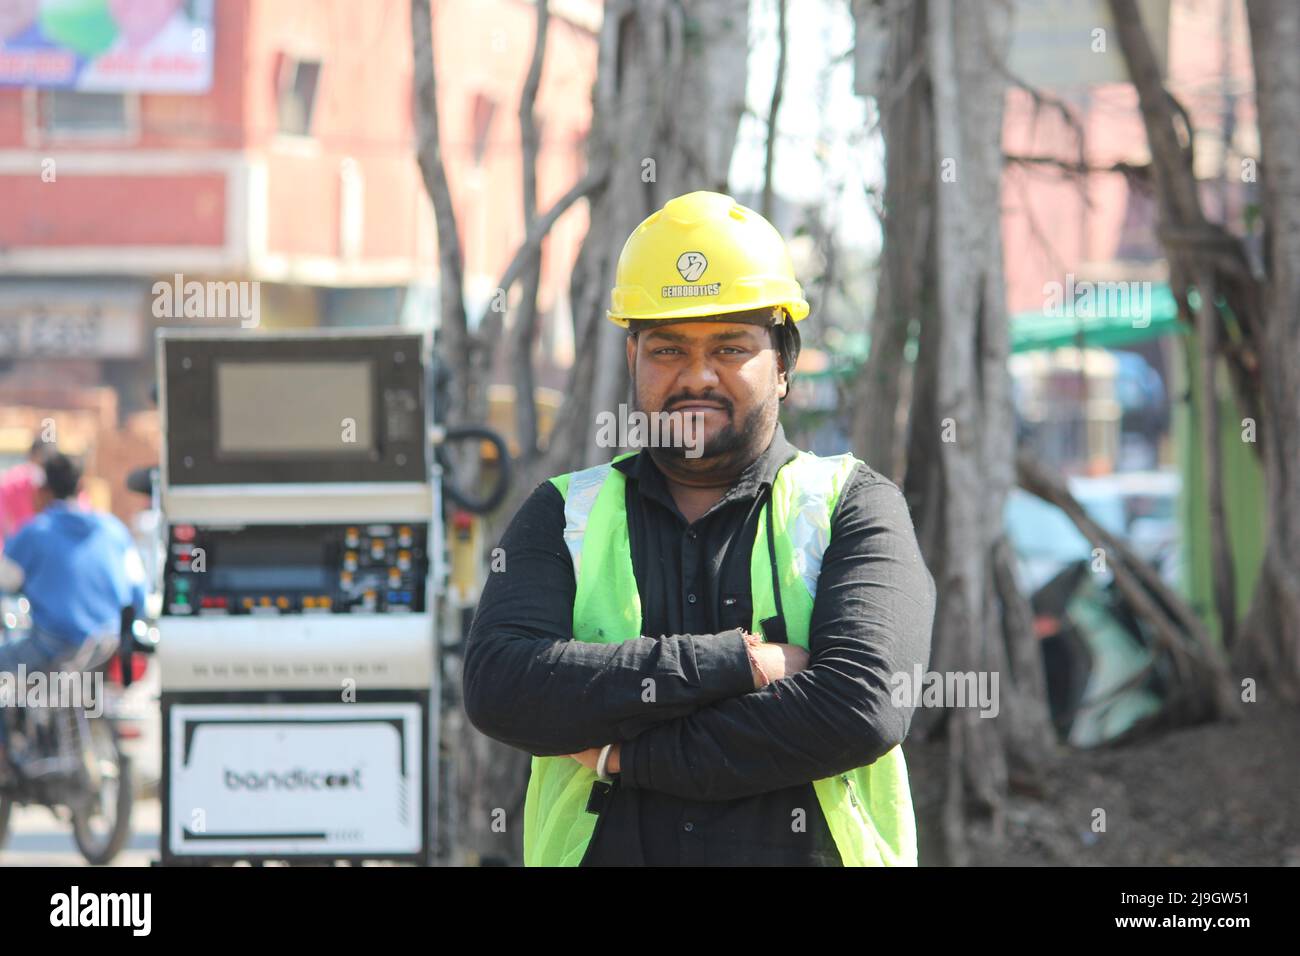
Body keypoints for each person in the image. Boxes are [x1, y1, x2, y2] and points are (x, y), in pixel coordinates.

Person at [464, 190, 936, 866]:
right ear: (633, 359)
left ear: (784, 364)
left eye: (730, 347)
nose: (696, 376)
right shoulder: (564, 513)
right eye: (667, 349)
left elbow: (862, 706)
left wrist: (620, 754)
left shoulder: (851, 508)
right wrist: (740, 662)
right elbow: (503, 687)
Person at [0, 452, 147, 770]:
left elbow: (5, 580)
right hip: (108, 646)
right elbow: (138, 593)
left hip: (53, 644)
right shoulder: (114, 531)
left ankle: (4, 757)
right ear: (82, 488)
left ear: (43, 492)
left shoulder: (34, 533)